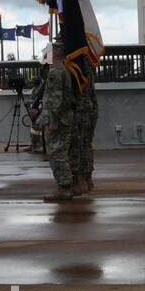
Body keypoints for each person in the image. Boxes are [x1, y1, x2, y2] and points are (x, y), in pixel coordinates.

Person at [37, 39, 77, 202]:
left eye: (48, 52)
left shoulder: (56, 72)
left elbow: (55, 99)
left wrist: (53, 120)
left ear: (56, 53)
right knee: (61, 153)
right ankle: (66, 185)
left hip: (57, 121)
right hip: (64, 119)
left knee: (56, 154)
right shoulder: (63, 70)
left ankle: (64, 188)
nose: (46, 55)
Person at [71, 55, 98, 195]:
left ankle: (79, 182)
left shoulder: (73, 61)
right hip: (89, 107)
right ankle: (87, 179)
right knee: (86, 145)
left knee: (77, 146)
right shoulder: (86, 60)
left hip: (79, 109)